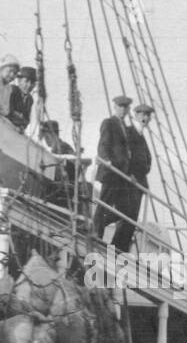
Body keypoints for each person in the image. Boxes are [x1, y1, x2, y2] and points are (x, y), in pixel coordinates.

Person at [94, 97, 154, 251]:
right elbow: (104, 144)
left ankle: (117, 247)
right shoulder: (113, 124)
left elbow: (141, 159)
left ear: (128, 110)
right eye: (120, 106)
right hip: (113, 174)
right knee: (105, 207)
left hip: (123, 176)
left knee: (126, 215)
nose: (145, 118)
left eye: (125, 107)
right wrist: (106, 160)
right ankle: (96, 236)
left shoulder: (126, 129)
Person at [39, 119, 91, 210]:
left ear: (51, 135)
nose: (45, 140)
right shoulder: (66, 146)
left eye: (46, 137)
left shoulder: (57, 149)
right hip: (72, 187)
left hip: (62, 188)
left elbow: (58, 172)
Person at [7, 66, 37, 132]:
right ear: (19, 81)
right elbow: (8, 113)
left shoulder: (30, 100)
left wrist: (21, 125)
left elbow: (27, 120)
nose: (29, 85)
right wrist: (20, 119)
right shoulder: (12, 91)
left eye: (32, 83)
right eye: (26, 81)